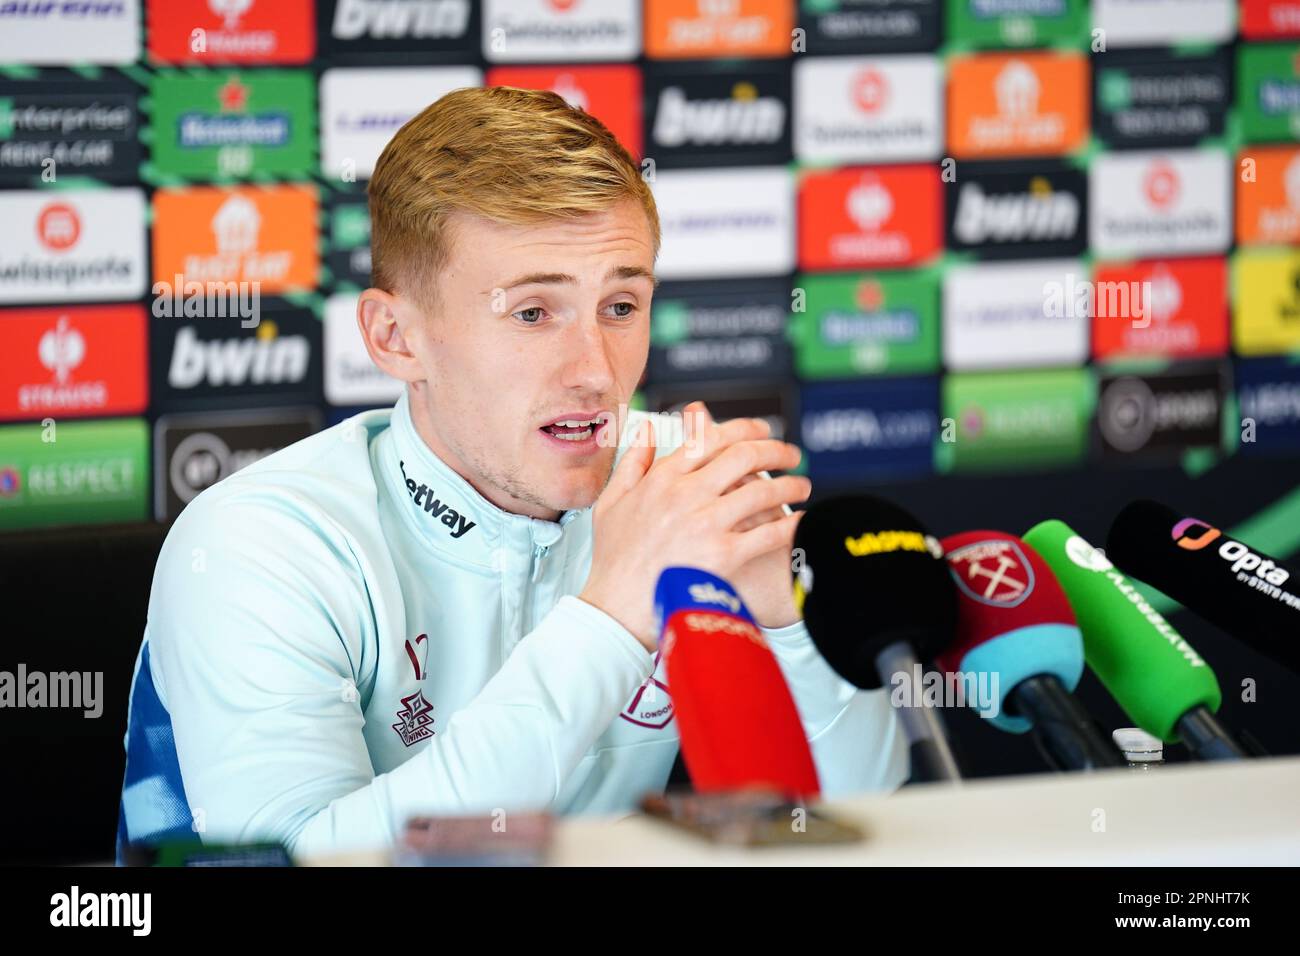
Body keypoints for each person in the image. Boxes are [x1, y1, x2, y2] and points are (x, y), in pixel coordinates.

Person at [117, 86, 906, 861]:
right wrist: (613, 616)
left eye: (621, 306)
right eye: (533, 313)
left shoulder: (679, 491)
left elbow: (858, 829)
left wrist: (786, 622)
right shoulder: (261, 542)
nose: (596, 372)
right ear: (395, 337)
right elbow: (302, 861)